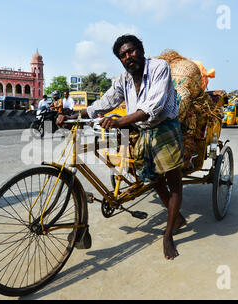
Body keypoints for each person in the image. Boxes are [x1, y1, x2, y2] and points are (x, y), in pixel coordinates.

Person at [58, 34, 185, 260]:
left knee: (173, 182)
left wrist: (118, 121)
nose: (128, 57)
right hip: (143, 129)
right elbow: (103, 103)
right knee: (152, 179)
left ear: (141, 50)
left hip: (164, 125)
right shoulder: (123, 79)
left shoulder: (159, 67)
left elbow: (152, 107)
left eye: (131, 51)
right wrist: (74, 115)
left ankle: (168, 236)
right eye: (123, 55)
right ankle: (177, 218)